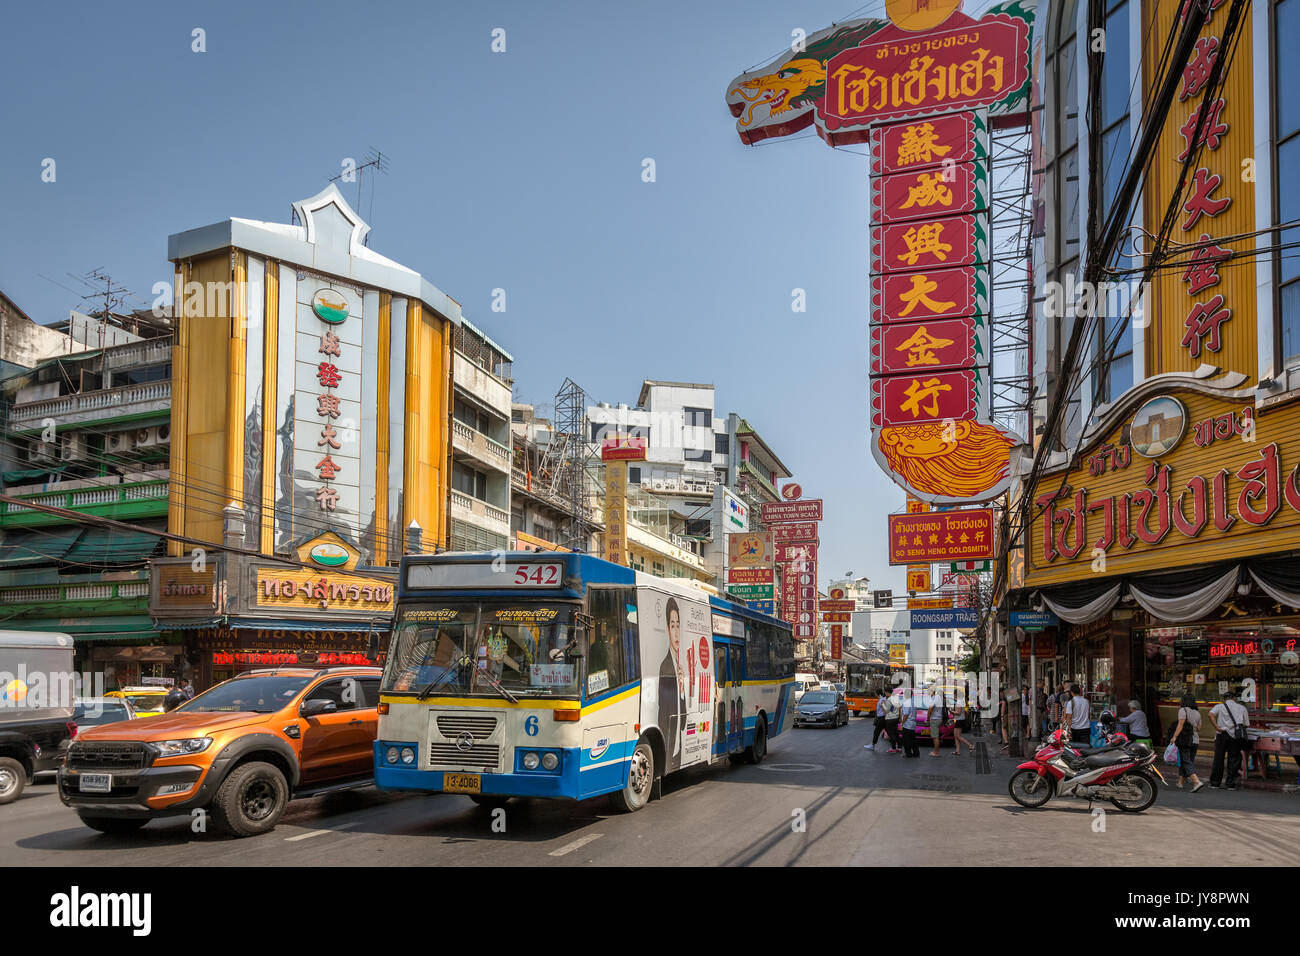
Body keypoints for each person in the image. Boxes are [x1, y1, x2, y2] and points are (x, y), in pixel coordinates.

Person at [658, 598, 687, 772]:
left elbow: (682, 722)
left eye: (678, 626)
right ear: (668, 630)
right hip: (671, 748)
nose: (676, 633)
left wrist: (682, 691)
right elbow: (665, 714)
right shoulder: (665, 666)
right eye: (673, 626)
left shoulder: (679, 666)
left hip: (678, 750)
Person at [1209, 690, 1250, 790]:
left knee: (1218, 759)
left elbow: (1210, 714)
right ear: (1235, 698)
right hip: (1235, 736)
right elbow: (1246, 724)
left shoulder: (1220, 706)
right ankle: (1230, 783)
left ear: (1225, 698)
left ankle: (1215, 783)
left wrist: (1217, 727)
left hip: (1221, 734)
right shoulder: (1242, 708)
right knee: (1234, 759)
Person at [1169, 693, 1205, 792]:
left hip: (1185, 740)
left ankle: (1196, 782)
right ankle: (1180, 782)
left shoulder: (1182, 710)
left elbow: (1180, 725)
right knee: (1189, 761)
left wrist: (1174, 736)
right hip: (1195, 740)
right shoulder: (1197, 712)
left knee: (1185, 761)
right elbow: (1199, 728)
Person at [898, 689, 920, 758]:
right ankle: (916, 753)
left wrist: (902, 724)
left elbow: (906, 715)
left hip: (907, 724)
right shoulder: (913, 702)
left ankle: (908, 753)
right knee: (913, 739)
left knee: (906, 740)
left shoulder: (907, 703)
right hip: (912, 723)